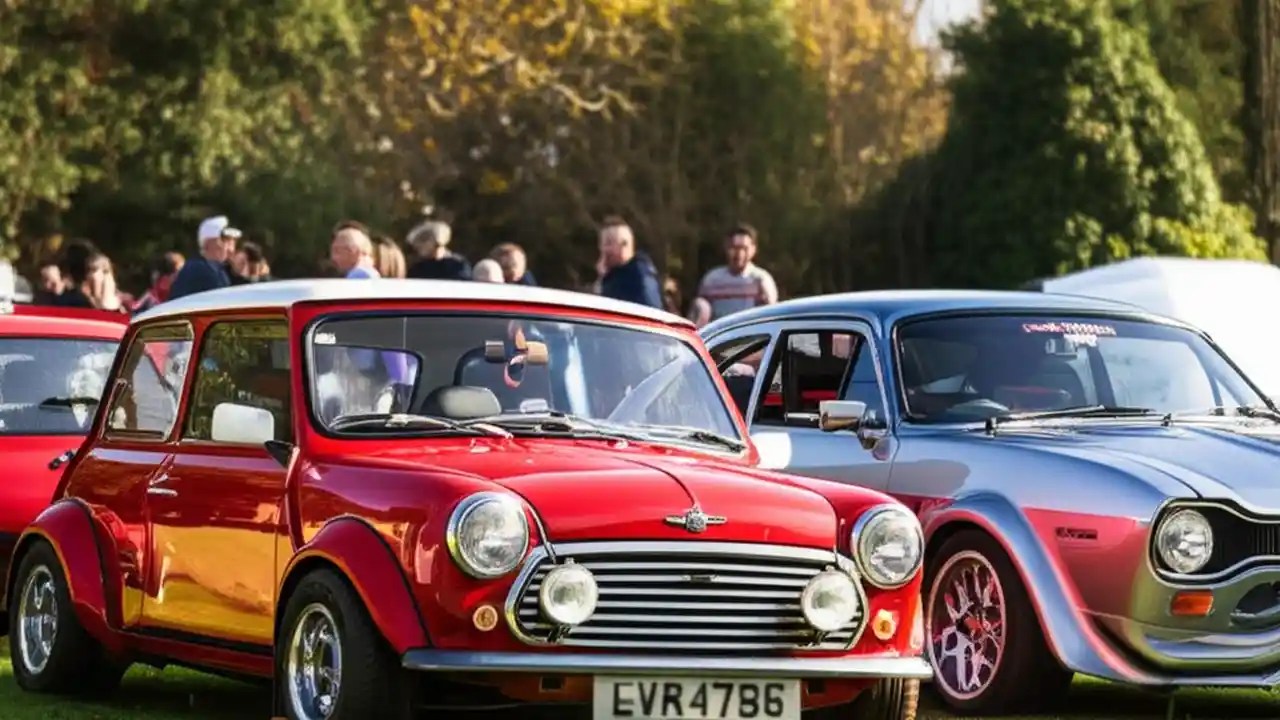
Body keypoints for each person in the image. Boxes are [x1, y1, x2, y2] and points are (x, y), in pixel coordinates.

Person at [693, 223, 778, 322]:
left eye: (744, 248)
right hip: (720, 331)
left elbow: (772, 313)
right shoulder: (712, 280)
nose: (739, 254)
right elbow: (700, 312)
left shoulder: (761, 280)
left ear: (753, 249)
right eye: (734, 248)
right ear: (726, 248)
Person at [595, 216, 662, 308]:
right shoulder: (617, 276)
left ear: (624, 245)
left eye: (608, 243)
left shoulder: (639, 277)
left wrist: (606, 279)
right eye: (603, 244)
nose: (604, 249)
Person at [169, 216, 240, 300]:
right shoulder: (204, 269)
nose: (230, 249)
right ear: (207, 244)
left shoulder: (199, 266)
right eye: (224, 241)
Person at [406, 220, 470, 280]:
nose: (418, 245)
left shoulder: (457, 265)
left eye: (423, 240)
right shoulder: (417, 269)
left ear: (439, 240)